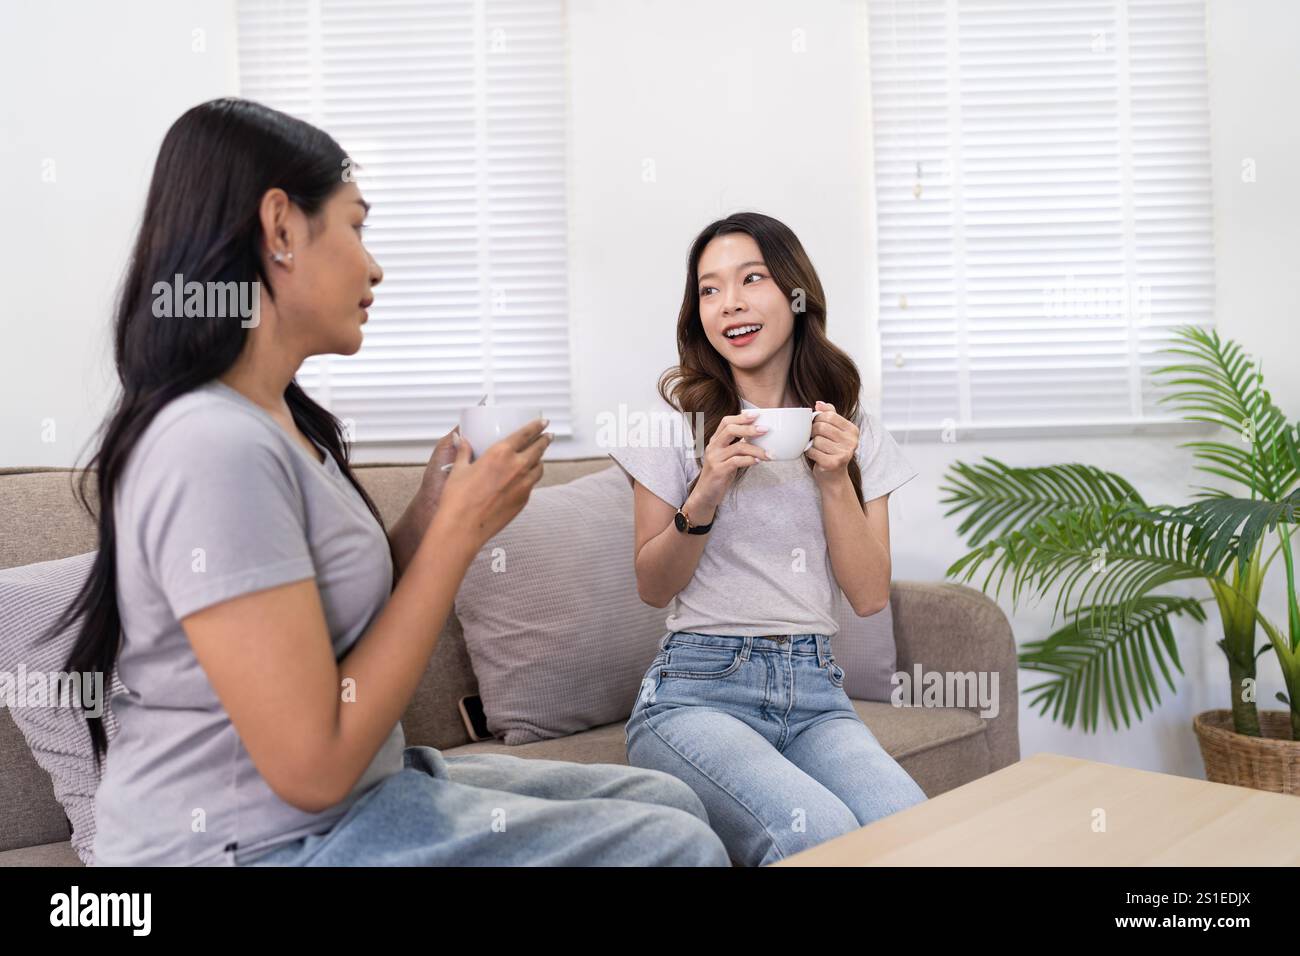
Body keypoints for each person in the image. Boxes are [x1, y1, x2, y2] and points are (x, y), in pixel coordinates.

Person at [49, 97, 729, 867]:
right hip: (260, 844)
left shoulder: (281, 421)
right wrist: (456, 538)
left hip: (355, 804)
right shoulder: (211, 447)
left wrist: (432, 509)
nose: (374, 265)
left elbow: (334, 620)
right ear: (280, 229)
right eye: (356, 225)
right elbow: (312, 767)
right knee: (674, 850)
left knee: (669, 800)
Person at [610, 211, 929, 867]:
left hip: (816, 695)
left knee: (913, 836)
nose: (729, 303)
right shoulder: (671, 425)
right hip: (694, 693)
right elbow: (652, 586)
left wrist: (836, 480)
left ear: (794, 292)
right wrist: (708, 489)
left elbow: (869, 596)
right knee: (819, 836)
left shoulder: (852, 428)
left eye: (750, 279)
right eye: (709, 288)